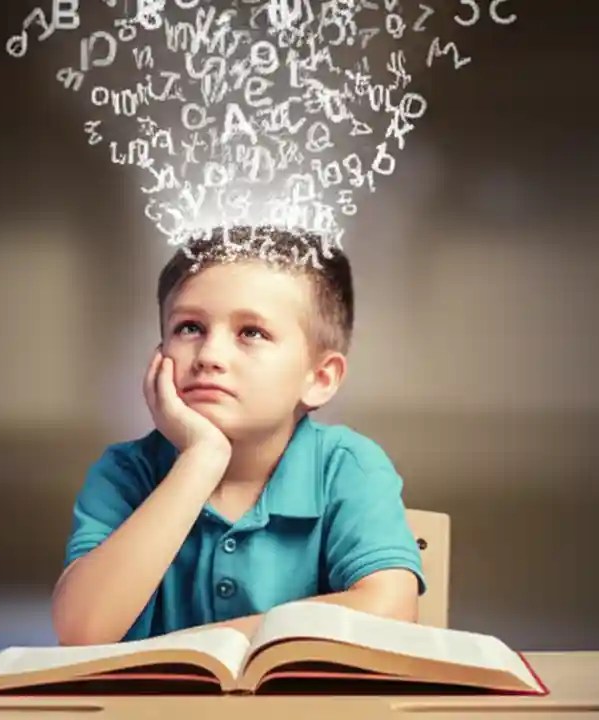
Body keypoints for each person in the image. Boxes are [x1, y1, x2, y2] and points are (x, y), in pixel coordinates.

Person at [51, 225, 426, 645]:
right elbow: (82, 631)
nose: (209, 356)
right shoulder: (124, 472)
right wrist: (202, 459)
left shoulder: (347, 466)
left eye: (252, 333)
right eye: (189, 328)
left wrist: (199, 644)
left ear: (320, 378)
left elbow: (390, 609)